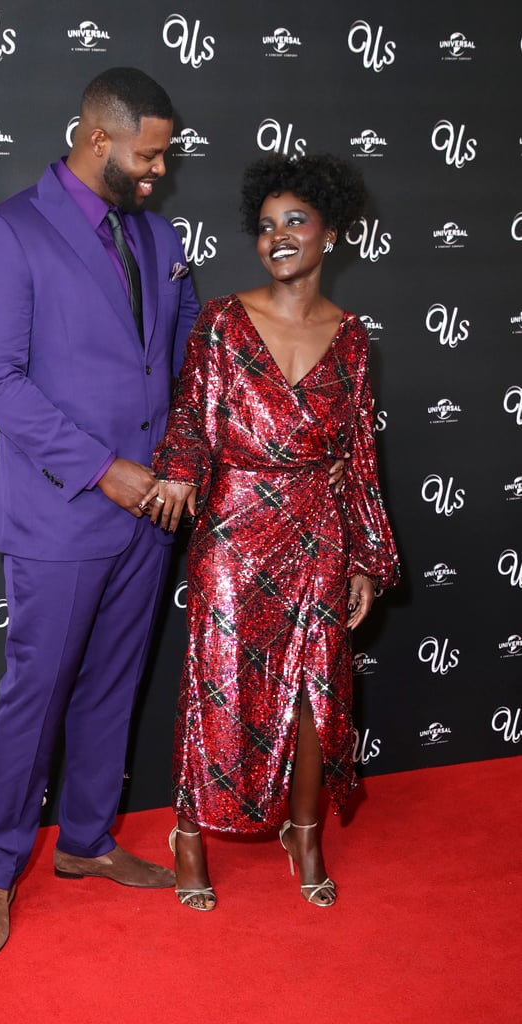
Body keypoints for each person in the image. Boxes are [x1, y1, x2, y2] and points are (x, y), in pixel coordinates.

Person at [0, 67, 201, 958]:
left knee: (112, 686)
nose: (159, 172)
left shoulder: (159, 232)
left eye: (164, 157)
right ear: (100, 138)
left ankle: (89, 844)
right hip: (64, 511)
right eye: (149, 155)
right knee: (39, 693)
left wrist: (172, 468)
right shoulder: (8, 234)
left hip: (150, 516)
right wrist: (106, 471)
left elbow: (179, 357)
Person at [142, 153, 400, 910]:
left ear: (331, 232)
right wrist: (181, 471)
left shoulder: (351, 338)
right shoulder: (222, 319)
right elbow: (191, 415)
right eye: (266, 226)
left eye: (296, 222)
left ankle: (305, 830)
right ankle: (190, 833)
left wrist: (363, 555)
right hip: (234, 525)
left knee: (316, 690)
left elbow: (357, 455)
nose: (279, 237)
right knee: (217, 681)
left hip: (318, 527)